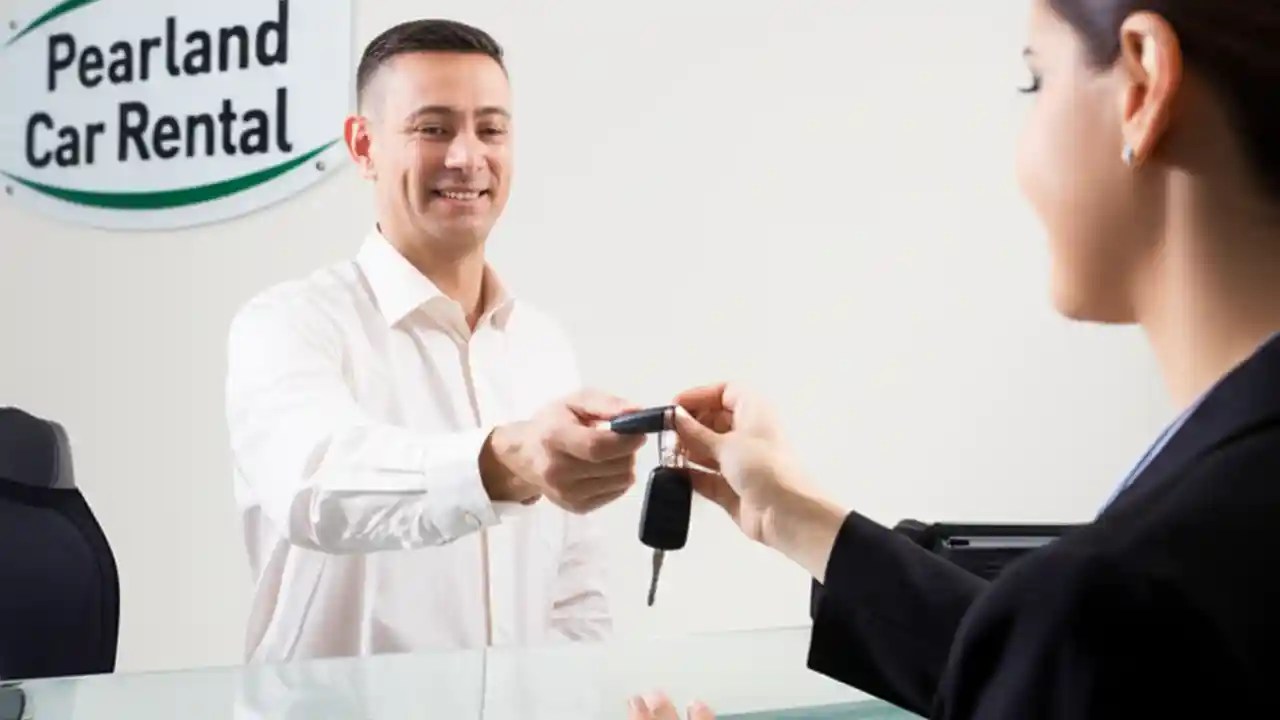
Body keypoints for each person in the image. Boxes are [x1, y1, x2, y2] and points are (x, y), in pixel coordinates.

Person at [629, 0, 1280, 717]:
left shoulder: (1123, 594)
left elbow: (1087, 649)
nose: (1019, 154)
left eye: (1037, 81)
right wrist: (792, 515)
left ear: (1143, 85)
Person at [225, 19, 646, 663]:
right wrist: (505, 459)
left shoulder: (542, 344)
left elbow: (573, 596)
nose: (466, 157)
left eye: (491, 130)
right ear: (364, 146)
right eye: (433, 128)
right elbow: (316, 488)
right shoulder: (287, 323)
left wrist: (581, 699)